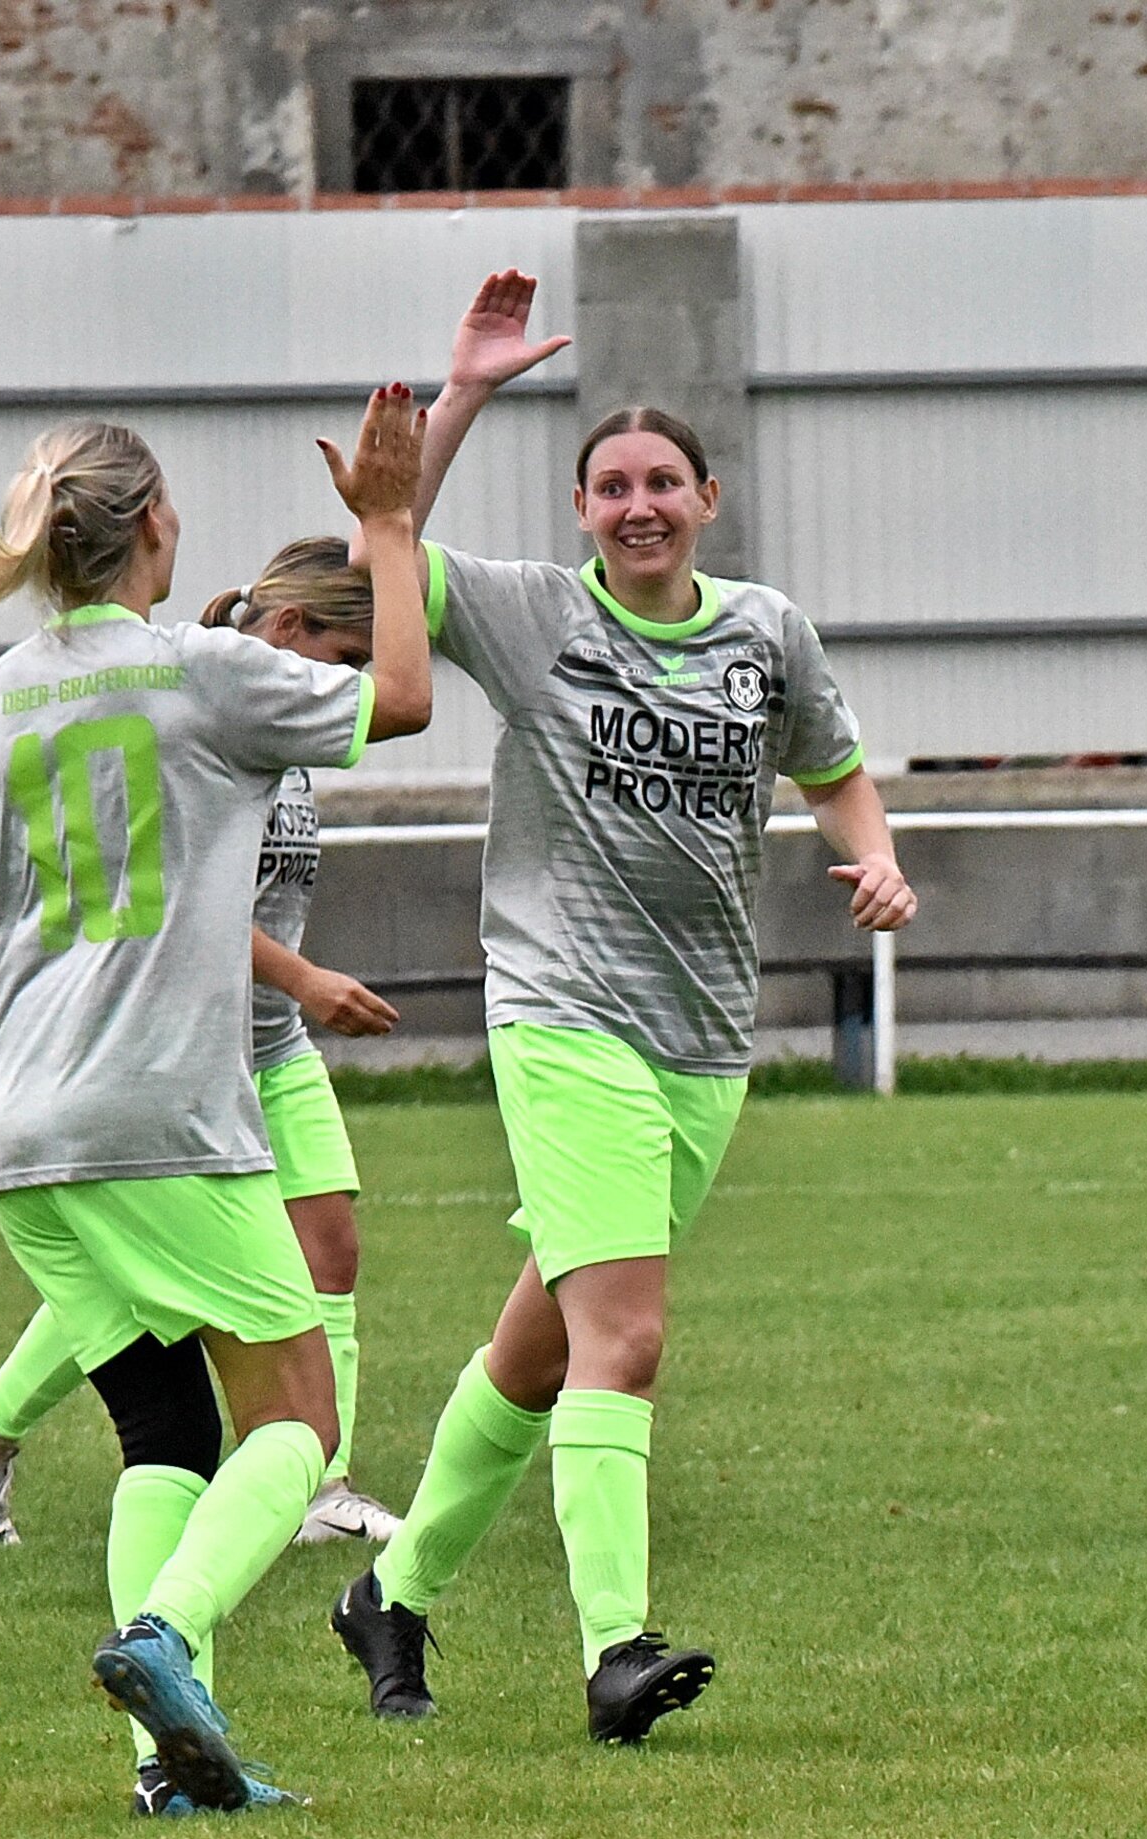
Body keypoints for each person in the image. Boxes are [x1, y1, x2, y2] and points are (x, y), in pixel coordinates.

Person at [326, 271, 918, 1744]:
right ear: (581, 511)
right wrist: (460, 394)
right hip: (562, 1012)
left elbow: (833, 763)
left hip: (705, 1034)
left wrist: (877, 858)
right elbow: (379, 547)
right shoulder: (532, 619)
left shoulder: (768, 631)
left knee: (543, 1343)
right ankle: (616, 1648)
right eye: (611, 487)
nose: (639, 504)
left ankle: (390, 1595)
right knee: (630, 1337)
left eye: (663, 481)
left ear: (708, 497)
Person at [0, 390, 432, 1814]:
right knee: (295, 1422)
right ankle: (163, 1640)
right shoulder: (201, 672)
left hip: (26, 1132)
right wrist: (393, 523)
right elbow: (402, 698)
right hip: (167, 1109)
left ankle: (167, 1773)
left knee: (164, 1434)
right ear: (156, 527)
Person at [0, 536, 406, 1551]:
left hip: (261, 1049)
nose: (351, 681)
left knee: (329, 1245)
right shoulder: (201, 698)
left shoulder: (257, 704)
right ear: (286, 633)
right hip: (164, 1055)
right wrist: (303, 972)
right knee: (139, 1291)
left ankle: (321, 1485)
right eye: (342, 655)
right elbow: (170, 902)